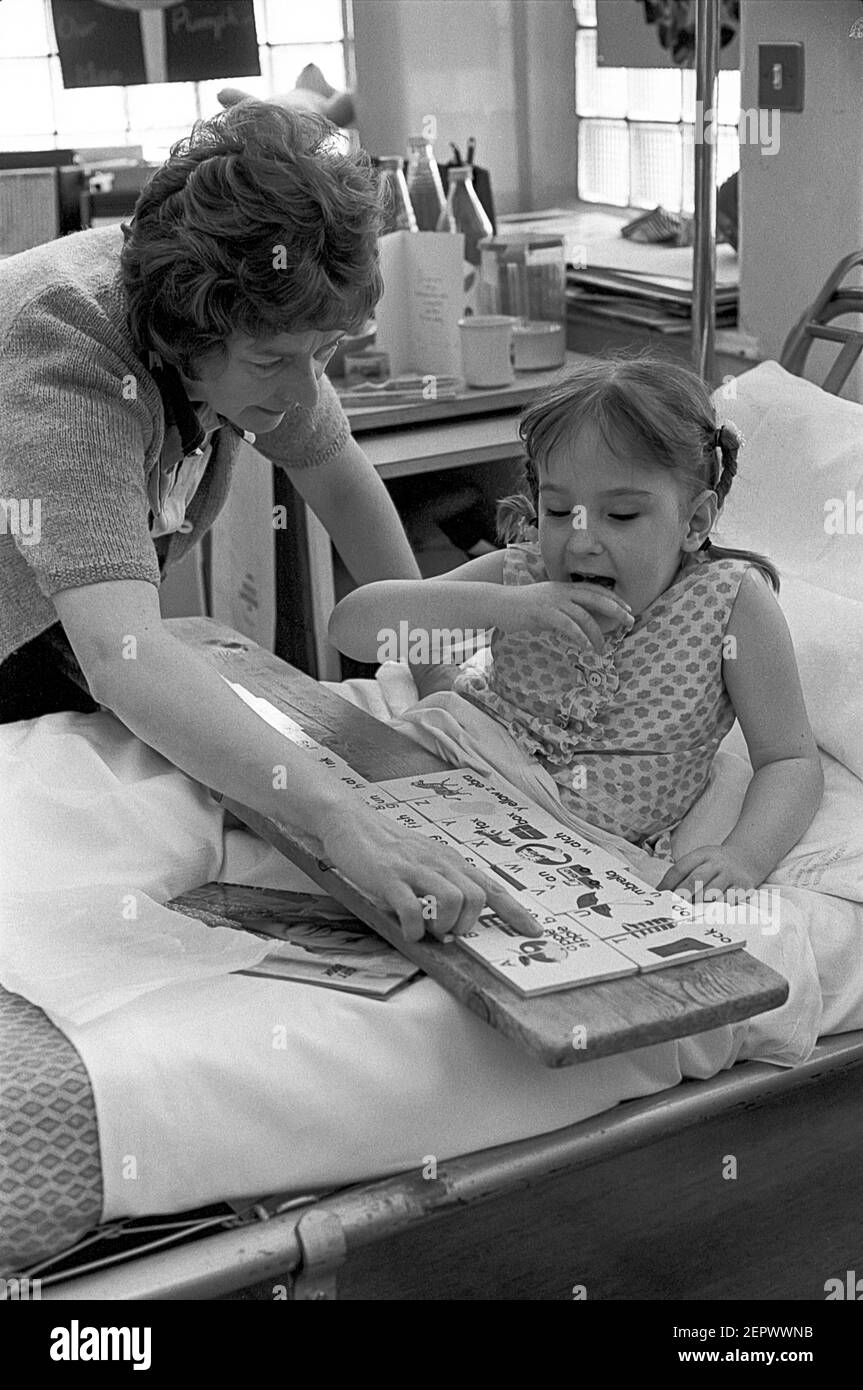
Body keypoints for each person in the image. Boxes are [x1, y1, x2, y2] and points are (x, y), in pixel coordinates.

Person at [0, 101, 536, 944]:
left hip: (53, 625)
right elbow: (121, 655)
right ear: (183, 330)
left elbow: (345, 489)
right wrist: (338, 816)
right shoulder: (65, 347)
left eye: (318, 355)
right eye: (274, 363)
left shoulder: (262, 335)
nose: (298, 392)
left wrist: (438, 679)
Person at [329, 355, 824, 901]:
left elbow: (790, 759)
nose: (581, 540)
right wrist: (500, 606)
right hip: (472, 771)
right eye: (560, 511)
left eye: (622, 516)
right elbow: (350, 628)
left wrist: (742, 857)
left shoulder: (729, 603)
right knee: (315, 815)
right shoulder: (523, 576)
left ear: (695, 522)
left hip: (580, 844)